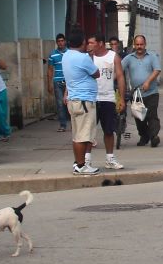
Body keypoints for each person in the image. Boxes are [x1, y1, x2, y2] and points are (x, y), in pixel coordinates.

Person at [61, 28, 101, 175]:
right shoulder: (82, 58)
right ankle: (81, 165)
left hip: (74, 99)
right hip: (84, 100)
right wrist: (89, 56)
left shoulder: (66, 56)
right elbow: (96, 73)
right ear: (82, 42)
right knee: (83, 135)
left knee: (77, 134)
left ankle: (78, 163)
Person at [88, 34, 126, 170]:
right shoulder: (88, 58)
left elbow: (120, 77)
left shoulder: (113, 57)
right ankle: (86, 161)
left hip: (108, 98)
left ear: (100, 43)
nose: (89, 46)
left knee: (109, 130)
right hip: (92, 98)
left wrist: (121, 98)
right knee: (89, 132)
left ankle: (110, 158)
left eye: (91, 43)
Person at [121, 35, 162, 147]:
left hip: (151, 92)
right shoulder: (129, 58)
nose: (139, 47)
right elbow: (119, 69)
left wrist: (148, 81)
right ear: (134, 45)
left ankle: (154, 137)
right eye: (137, 44)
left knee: (152, 115)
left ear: (145, 44)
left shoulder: (152, 57)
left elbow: (157, 70)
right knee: (140, 118)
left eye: (141, 44)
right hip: (136, 94)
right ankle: (144, 136)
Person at [47, 33, 69, 132]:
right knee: (60, 104)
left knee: (70, 103)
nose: (60, 43)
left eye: (62, 41)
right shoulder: (52, 55)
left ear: (65, 41)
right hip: (57, 82)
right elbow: (50, 70)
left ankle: (74, 124)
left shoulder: (69, 53)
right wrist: (49, 83)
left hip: (69, 82)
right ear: (56, 42)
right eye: (58, 41)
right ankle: (63, 125)